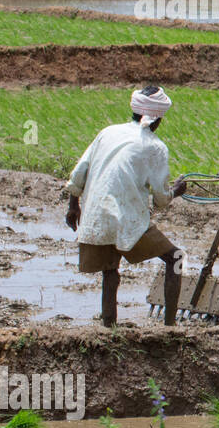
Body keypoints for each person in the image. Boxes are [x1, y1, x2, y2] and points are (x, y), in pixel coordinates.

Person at [64, 87, 188, 327]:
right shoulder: (155, 147)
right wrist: (177, 191)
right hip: (127, 218)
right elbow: (162, 199)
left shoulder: (107, 132)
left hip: (96, 215)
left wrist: (73, 206)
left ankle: (108, 326)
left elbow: (80, 171)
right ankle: (171, 327)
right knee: (176, 257)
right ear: (157, 119)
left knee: (110, 270)